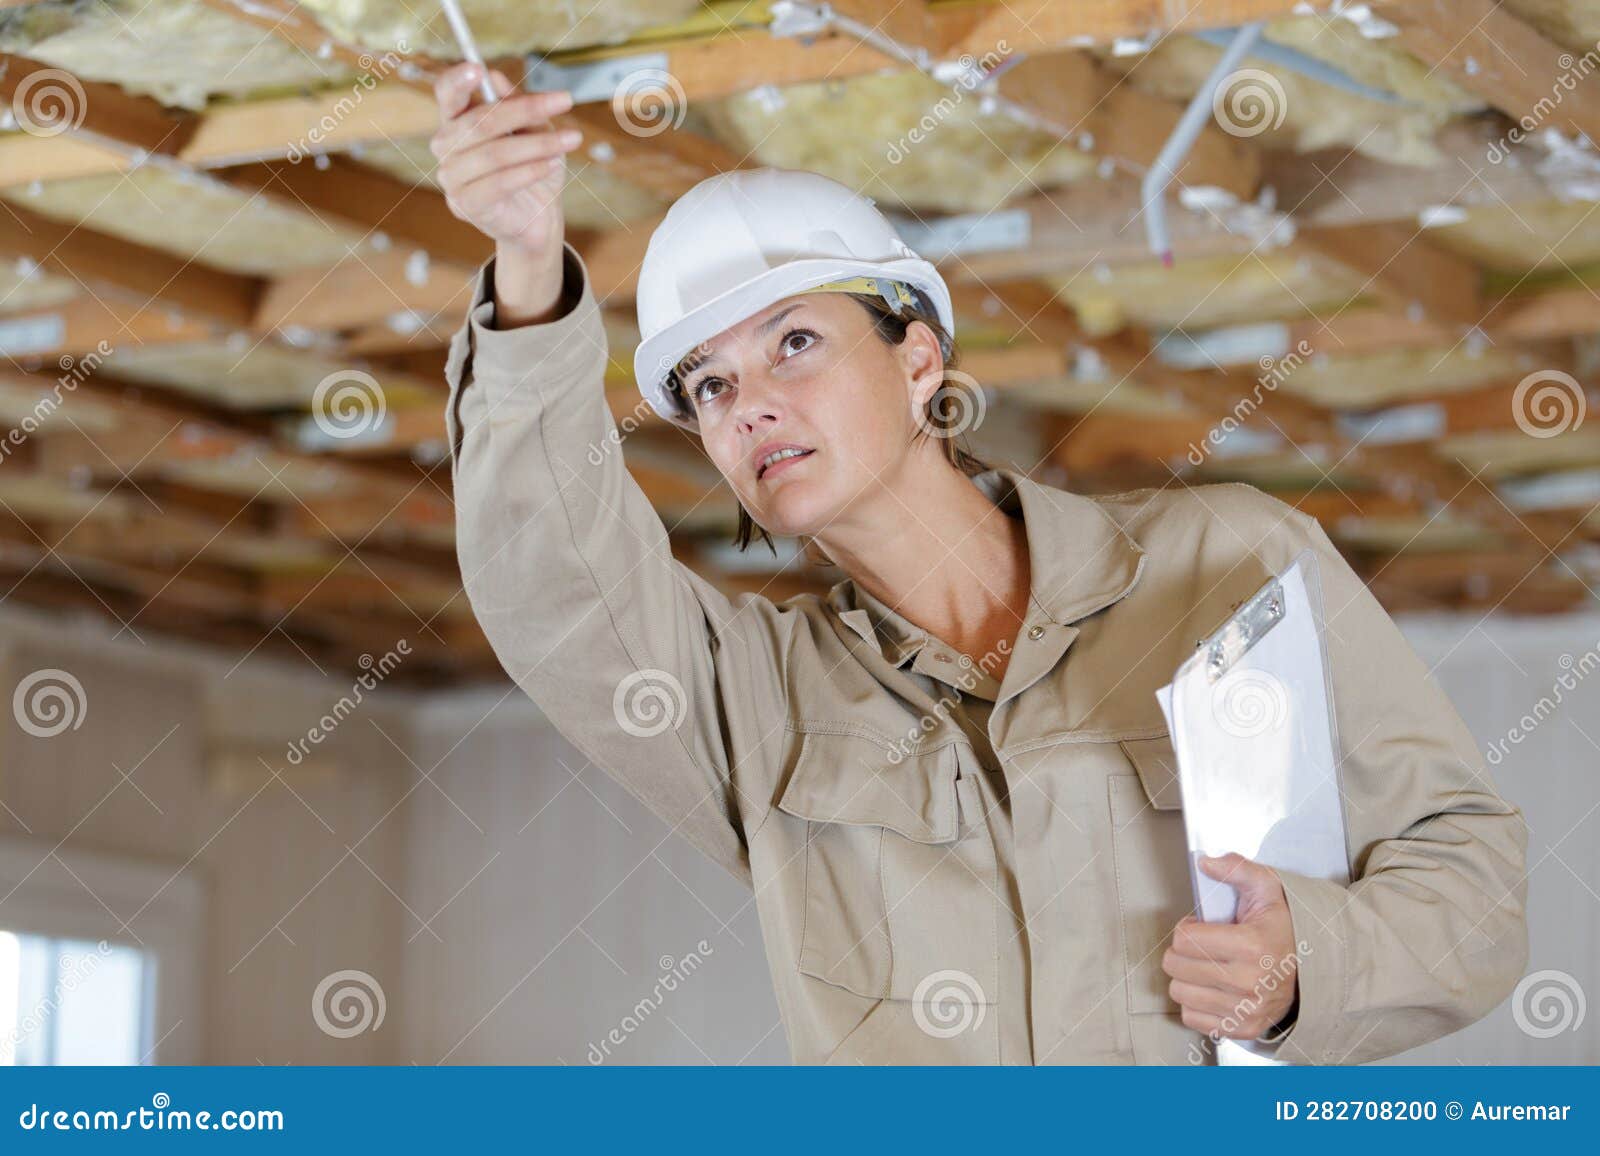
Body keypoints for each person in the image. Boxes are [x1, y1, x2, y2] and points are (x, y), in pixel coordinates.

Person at [430, 61, 1529, 1065]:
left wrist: (1306, 966)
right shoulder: (753, 701)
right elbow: (552, 583)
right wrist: (527, 265)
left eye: (794, 342)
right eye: (709, 385)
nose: (749, 401)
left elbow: (1471, 880)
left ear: (918, 360)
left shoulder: (1230, 562)